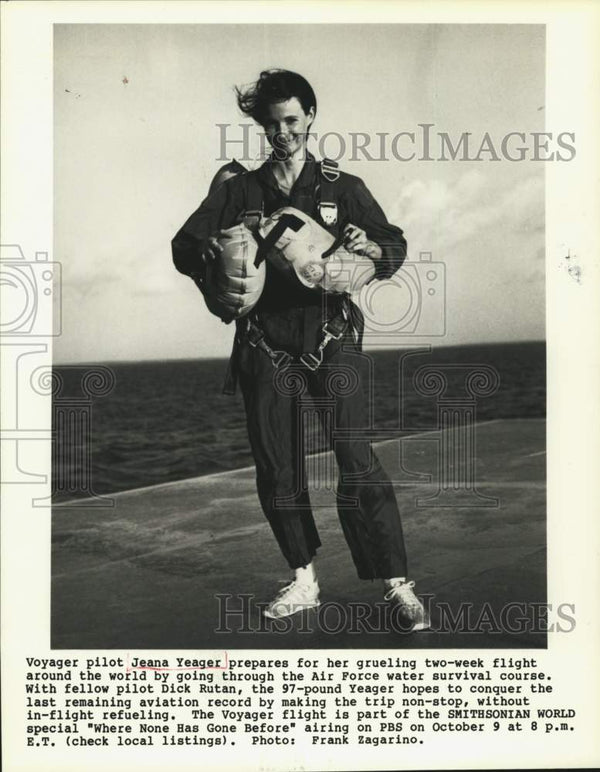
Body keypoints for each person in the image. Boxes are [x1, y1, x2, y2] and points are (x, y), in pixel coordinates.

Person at [172, 69, 429, 631]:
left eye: (291, 120)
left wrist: (371, 248)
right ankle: (303, 579)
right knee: (277, 467)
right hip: (266, 344)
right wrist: (211, 253)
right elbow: (183, 246)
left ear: (310, 117)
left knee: (357, 459)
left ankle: (396, 584)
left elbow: (395, 244)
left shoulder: (343, 187)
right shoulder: (238, 190)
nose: (282, 132)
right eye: (271, 123)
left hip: (332, 337)